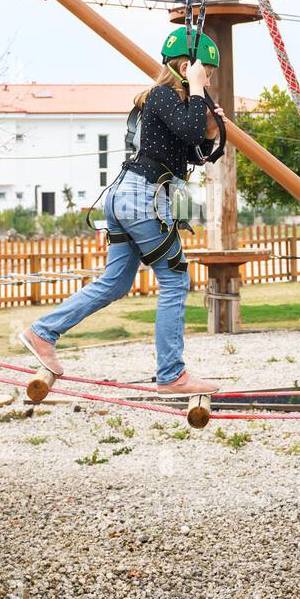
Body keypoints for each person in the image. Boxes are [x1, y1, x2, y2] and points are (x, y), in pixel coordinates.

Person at [19, 27, 226, 395]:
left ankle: (43, 332)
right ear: (186, 66)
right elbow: (190, 130)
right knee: (175, 280)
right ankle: (171, 374)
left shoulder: (174, 103)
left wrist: (211, 128)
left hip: (129, 196)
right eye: (205, 72)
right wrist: (198, 94)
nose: (207, 80)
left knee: (114, 282)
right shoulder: (163, 95)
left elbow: (195, 149)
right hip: (142, 197)